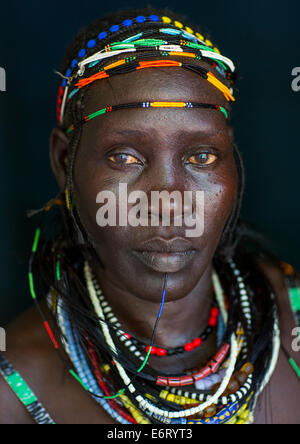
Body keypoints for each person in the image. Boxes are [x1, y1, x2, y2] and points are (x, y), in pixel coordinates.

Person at [0, 7, 299, 425]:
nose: (167, 202)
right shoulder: (16, 391)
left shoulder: (291, 322)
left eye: (201, 155)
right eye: (124, 157)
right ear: (64, 161)